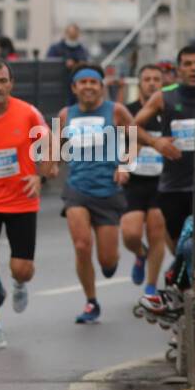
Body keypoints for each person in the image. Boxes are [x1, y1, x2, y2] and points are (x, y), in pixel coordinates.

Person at [0, 59, 50, 349]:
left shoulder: (28, 113)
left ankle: (18, 283)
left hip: (21, 201)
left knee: (22, 268)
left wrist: (40, 177)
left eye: (3, 81)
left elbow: (49, 147)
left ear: (11, 84)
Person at [57, 66, 132, 324]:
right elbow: (56, 146)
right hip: (77, 188)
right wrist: (50, 164)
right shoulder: (66, 114)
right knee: (81, 245)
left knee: (107, 260)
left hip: (108, 190)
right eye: (82, 82)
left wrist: (124, 165)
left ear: (101, 86)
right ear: (74, 88)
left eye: (93, 82)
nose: (88, 86)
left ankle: (110, 262)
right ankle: (91, 301)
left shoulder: (116, 111)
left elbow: (133, 140)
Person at [134, 43, 195, 250]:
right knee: (178, 245)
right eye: (187, 64)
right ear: (178, 69)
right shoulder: (165, 96)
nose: (193, 68)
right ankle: (181, 275)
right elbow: (132, 126)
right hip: (175, 185)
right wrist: (155, 142)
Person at [121, 64, 166, 303]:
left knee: (157, 230)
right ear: (139, 83)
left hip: (161, 180)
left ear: (162, 83)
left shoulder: (168, 110)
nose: (151, 83)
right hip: (134, 180)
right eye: (146, 79)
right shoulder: (127, 111)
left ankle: (150, 286)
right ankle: (140, 253)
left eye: (156, 79)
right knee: (130, 233)